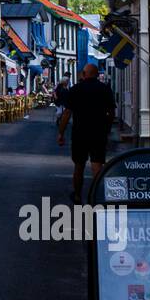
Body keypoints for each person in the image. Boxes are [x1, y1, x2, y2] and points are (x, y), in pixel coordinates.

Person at [57, 63, 115, 203]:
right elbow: (111, 112)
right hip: (98, 133)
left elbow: (67, 113)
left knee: (79, 166)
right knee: (97, 166)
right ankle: (98, 197)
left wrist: (61, 133)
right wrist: (107, 128)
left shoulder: (75, 90)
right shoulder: (105, 89)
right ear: (96, 74)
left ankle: (77, 195)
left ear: (84, 74)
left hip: (80, 133)